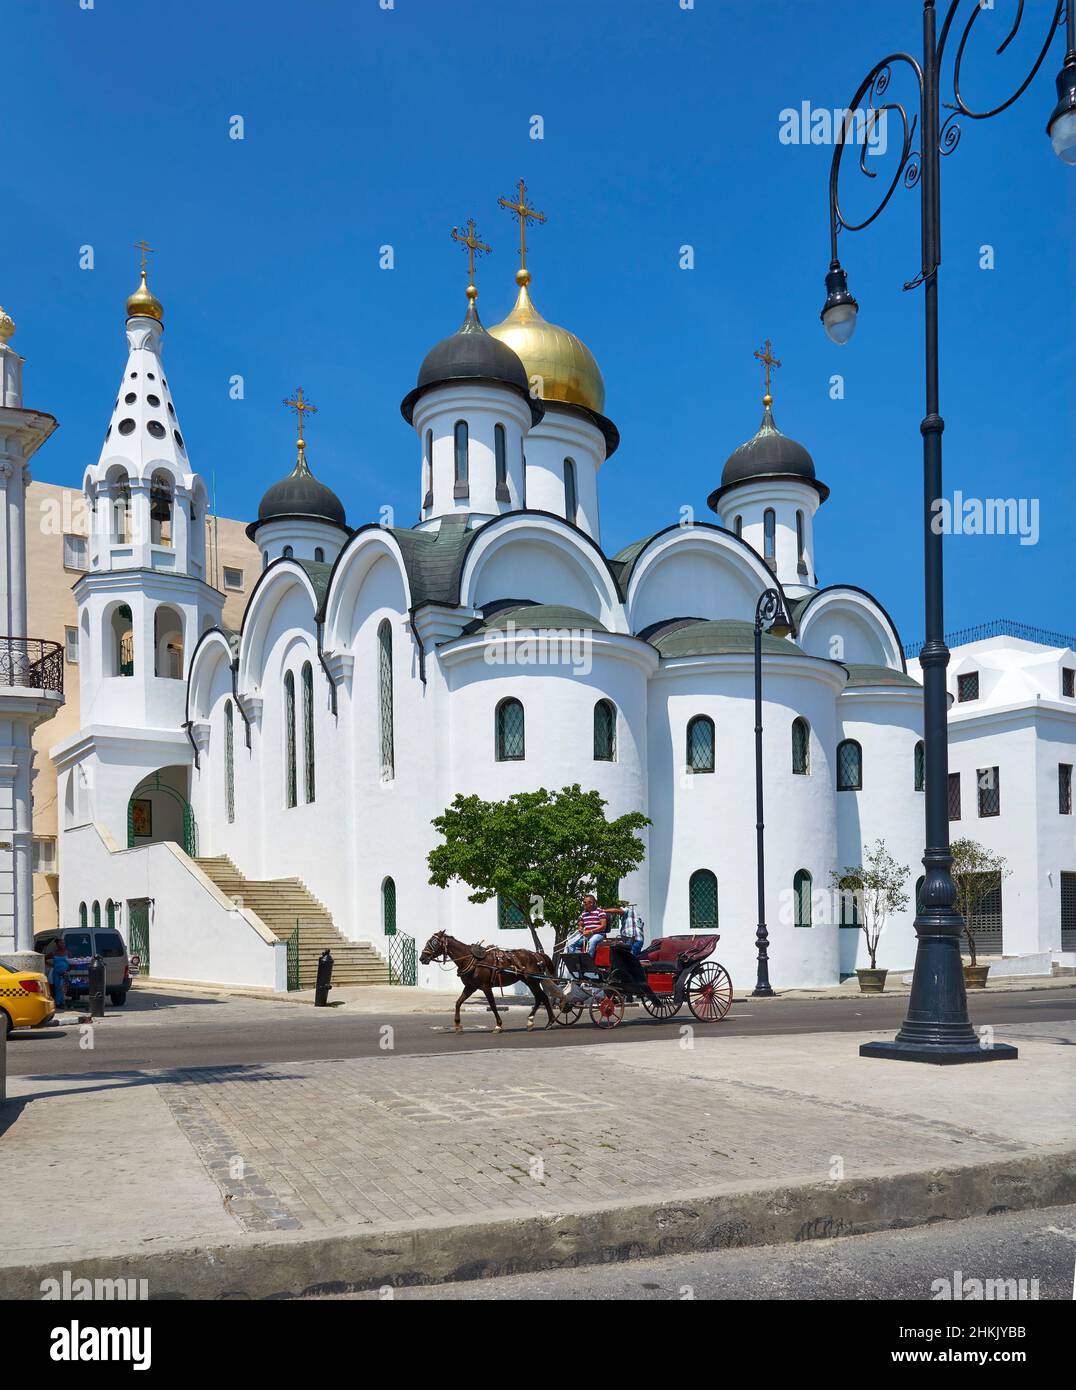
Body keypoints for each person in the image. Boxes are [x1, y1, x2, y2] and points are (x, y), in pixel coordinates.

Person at [47, 934, 70, 1011]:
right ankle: (59, 1003)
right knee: (57, 988)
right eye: (61, 943)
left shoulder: (67, 953)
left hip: (64, 973)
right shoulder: (53, 953)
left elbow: (73, 961)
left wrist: (69, 969)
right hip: (56, 973)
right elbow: (44, 958)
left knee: (62, 987)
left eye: (64, 943)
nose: (63, 944)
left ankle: (59, 1003)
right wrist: (52, 965)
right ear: (57, 945)